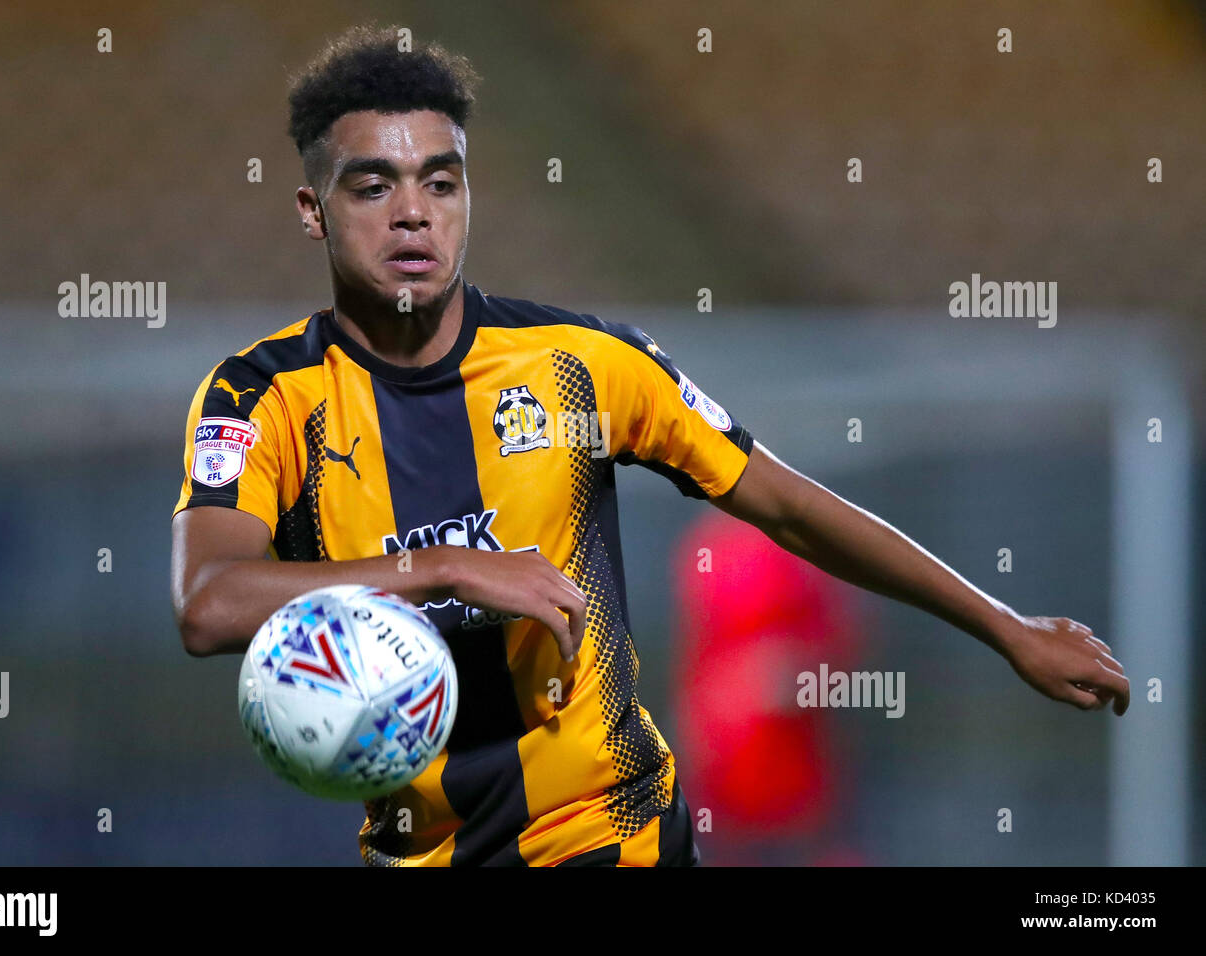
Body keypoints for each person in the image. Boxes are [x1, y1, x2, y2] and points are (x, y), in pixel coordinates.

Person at [170, 24, 1129, 867]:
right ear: (313, 212)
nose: (413, 212)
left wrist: (1007, 628)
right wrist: (444, 568)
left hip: (615, 836)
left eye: (441, 181)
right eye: (373, 185)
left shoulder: (581, 365)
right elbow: (208, 607)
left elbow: (787, 504)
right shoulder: (263, 396)